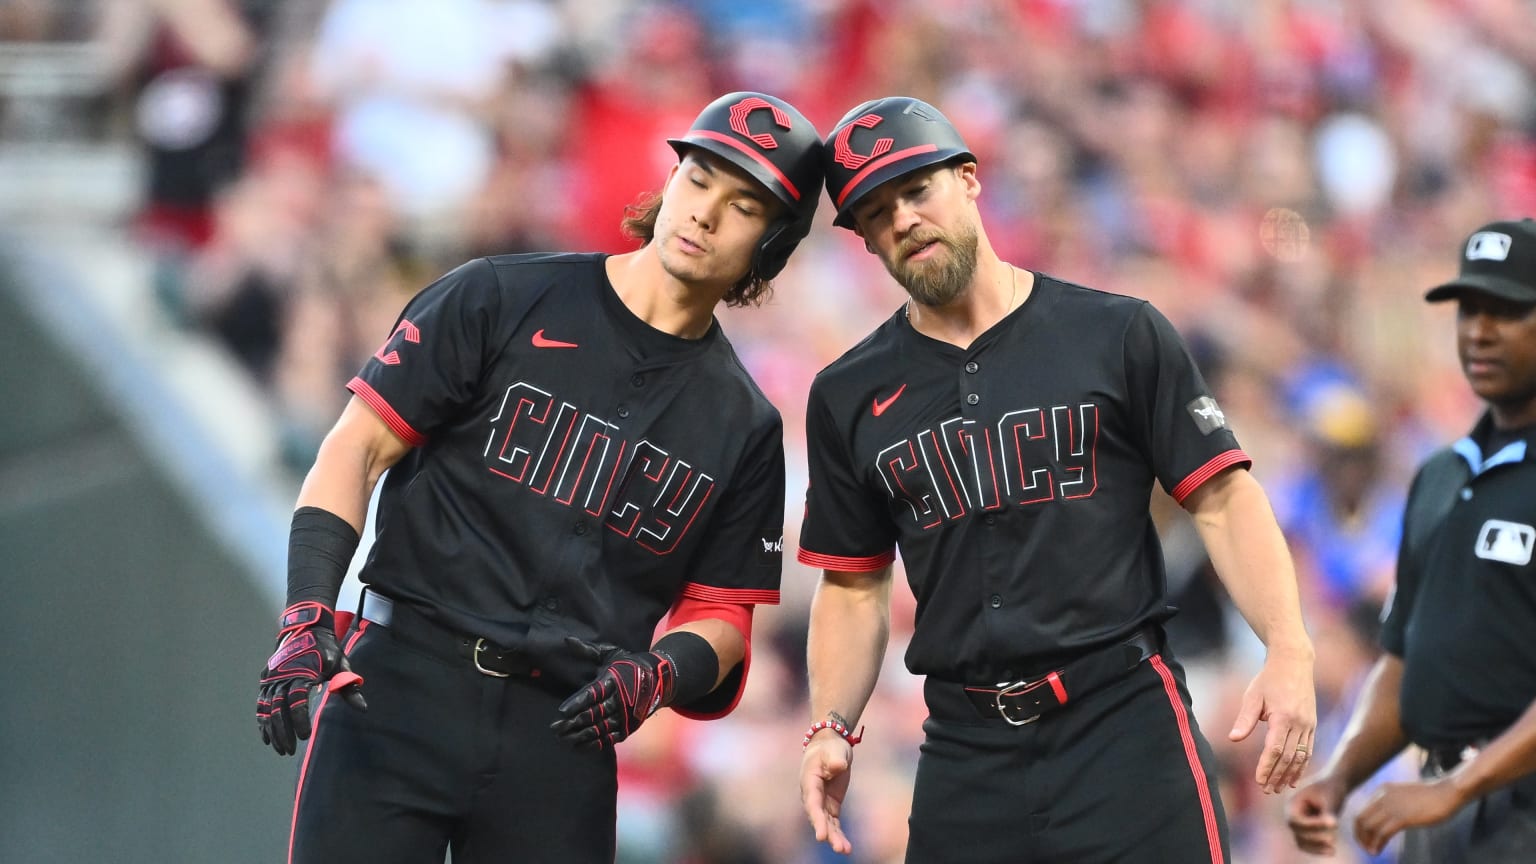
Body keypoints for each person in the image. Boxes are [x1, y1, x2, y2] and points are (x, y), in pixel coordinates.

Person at [253, 90, 824, 863]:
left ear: (773, 243)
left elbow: (722, 619)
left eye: (744, 204)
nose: (704, 213)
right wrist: (306, 613)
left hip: (562, 731)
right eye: (698, 179)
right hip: (402, 684)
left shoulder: (745, 424)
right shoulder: (500, 296)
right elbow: (354, 447)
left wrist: (657, 673)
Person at [795, 96, 1316, 863]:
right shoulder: (848, 393)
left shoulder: (1114, 332)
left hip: (1123, 721)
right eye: (875, 212)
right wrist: (832, 725)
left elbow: (1221, 496)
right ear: (865, 241)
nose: (901, 219)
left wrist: (1288, 649)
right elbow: (852, 584)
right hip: (966, 748)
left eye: (915, 190)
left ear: (968, 179)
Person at [1287, 217, 1536, 862]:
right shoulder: (1438, 476)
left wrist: (1457, 788)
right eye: (1468, 310)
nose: (1478, 331)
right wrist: (1339, 778)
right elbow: (1402, 663)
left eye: (1505, 310)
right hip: (1439, 810)